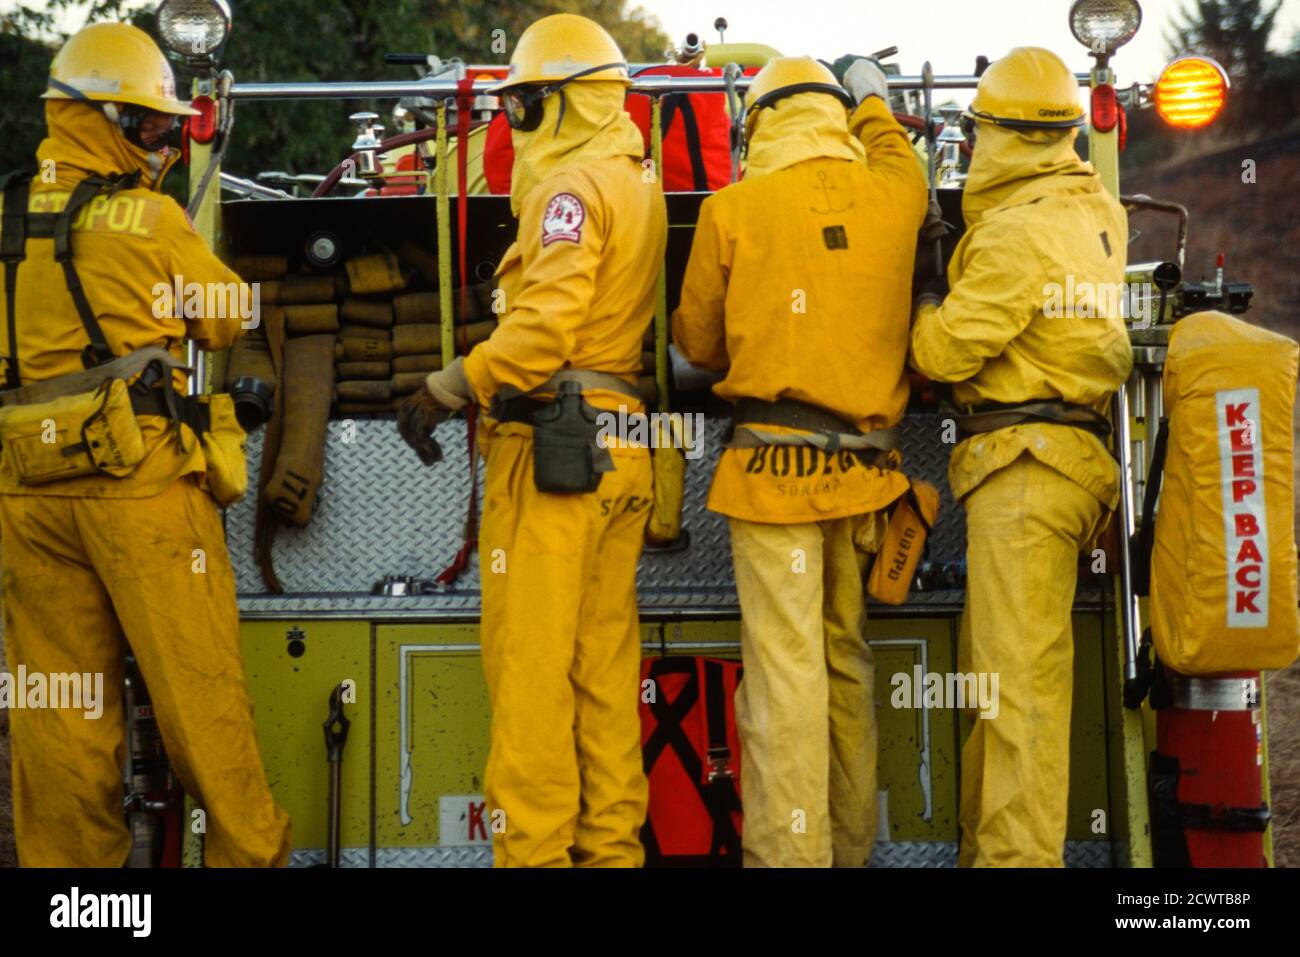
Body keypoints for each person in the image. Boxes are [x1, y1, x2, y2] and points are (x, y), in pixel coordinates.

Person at [0, 22, 291, 866]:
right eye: (153, 125)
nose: (165, 141)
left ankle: (79, 901)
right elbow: (228, 314)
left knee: (58, 715)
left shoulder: (7, 208)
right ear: (110, 122)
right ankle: (247, 856)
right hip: (142, 489)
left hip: (27, 493)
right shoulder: (152, 218)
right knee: (200, 700)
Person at [399, 13, 666, 867]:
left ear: (561, 104)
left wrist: (451, 385)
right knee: (602, 682)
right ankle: (613, 853)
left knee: (532, 689)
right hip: (621, 451)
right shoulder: (639, 181)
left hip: (554, 456)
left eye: (522, 108)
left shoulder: (568, 194)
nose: (513, 127)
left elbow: (543, 335)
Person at [671, 56, 928, 867]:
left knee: (785, 684)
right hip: (869, 481)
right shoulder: (898, 192)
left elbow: (697, 346)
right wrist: (875, 99)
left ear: (758, 125)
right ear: (837, 114)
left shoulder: (731, 208)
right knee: (846, 666)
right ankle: (850, 854)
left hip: (772, 479)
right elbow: (893, 147)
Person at [908, 47, 1132, 867]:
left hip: (1026, 476)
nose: (971, 150)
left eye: (977, 135)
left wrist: (929, 293)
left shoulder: (1015, 232)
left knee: (1015, 698)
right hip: (1068, 465)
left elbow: (943, 354)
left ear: (1002, 137)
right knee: (1007, 684)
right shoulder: (1096, 209)